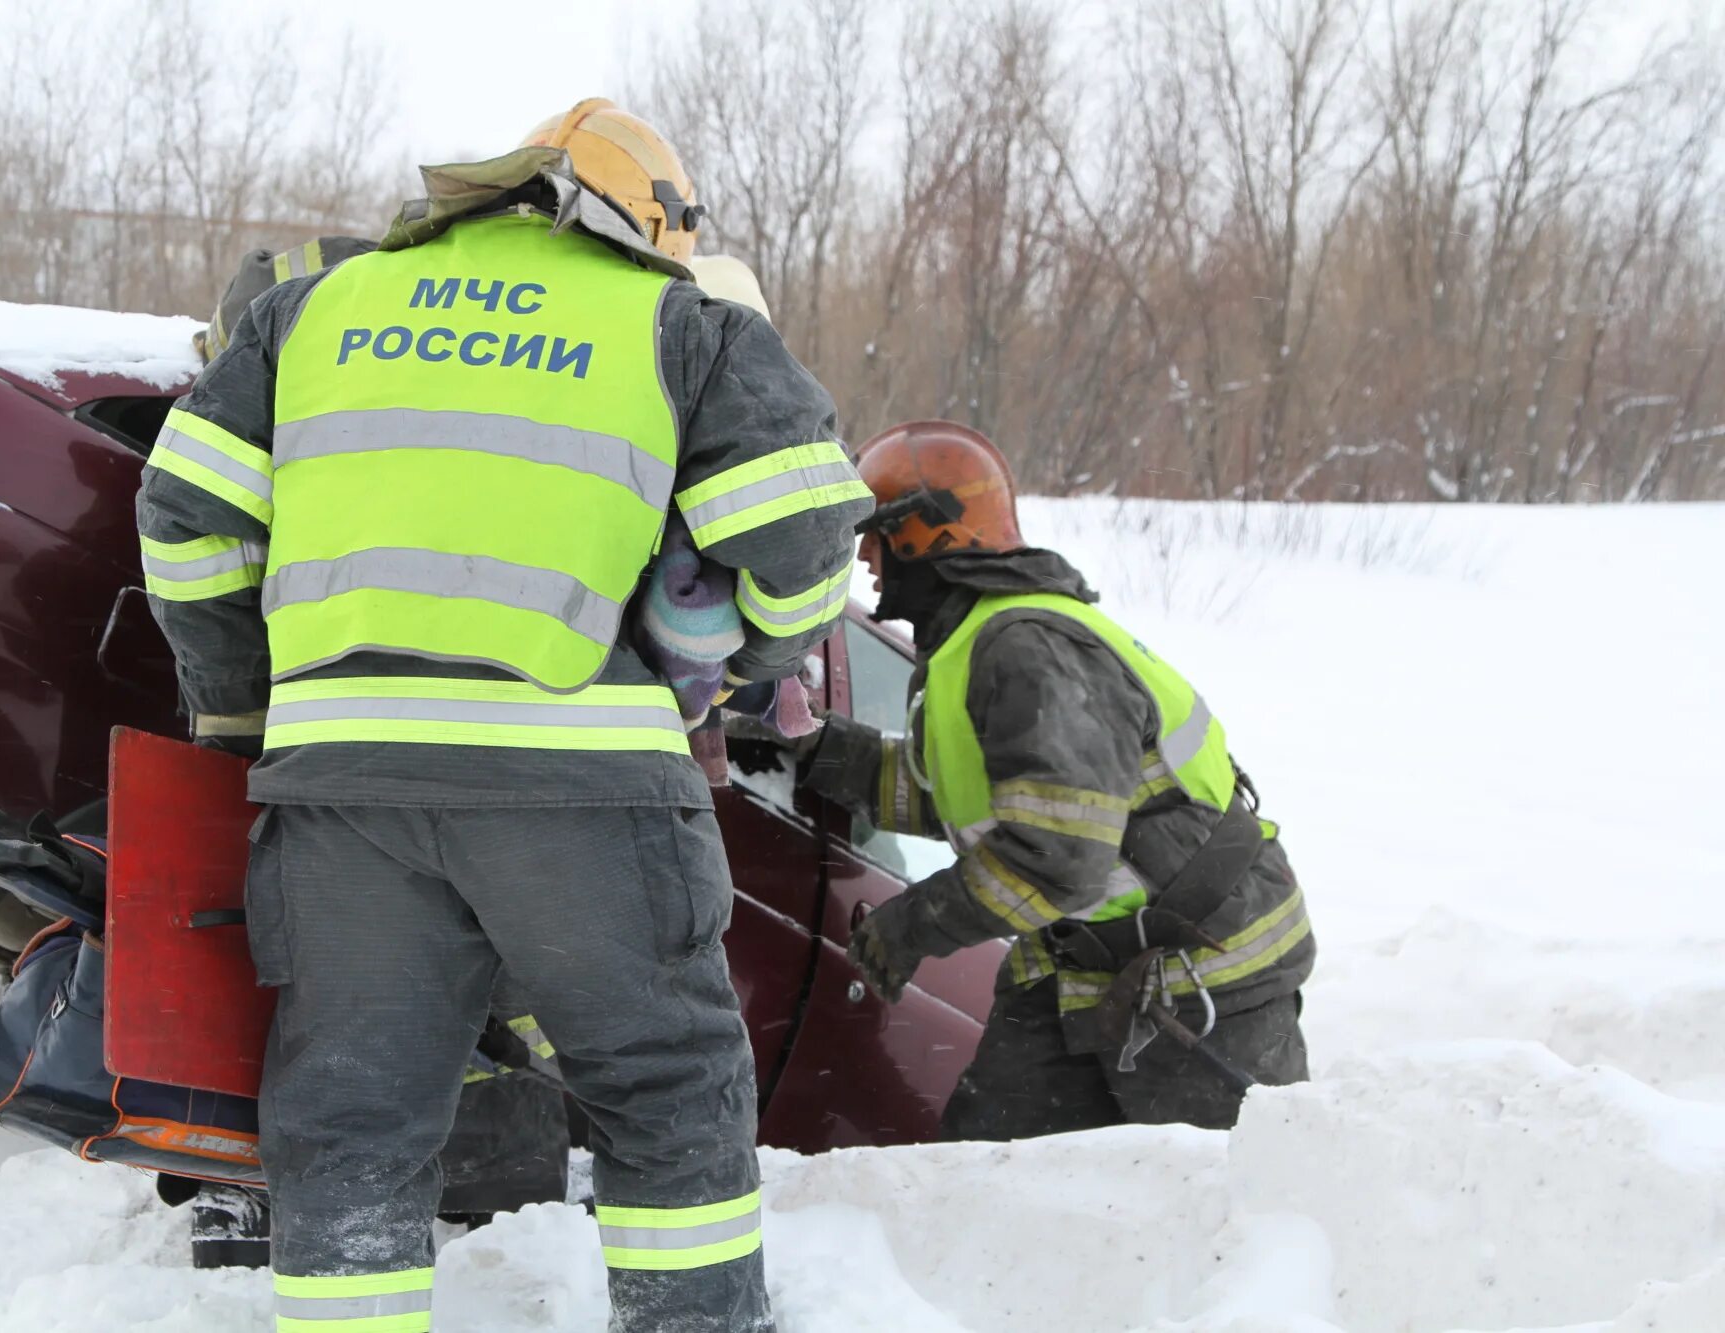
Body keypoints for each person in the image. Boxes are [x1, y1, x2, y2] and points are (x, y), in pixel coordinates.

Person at [136, 97, 869, 1332]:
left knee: (353, 1117)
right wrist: (743, 666)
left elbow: (186, 521)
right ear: (653, 220)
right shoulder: (680, 327)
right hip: (580, 789)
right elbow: (803, 539)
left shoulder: (312, 310)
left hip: (345, 790)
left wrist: (245, 711)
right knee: (661, 1090)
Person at [801, 420, 1313, 1140]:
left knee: (1222, 1217)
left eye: (877, 534)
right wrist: (813, 750)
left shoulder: (1024, 646)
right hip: (1094, 966)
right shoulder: (981, 640)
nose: (865, 557)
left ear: (927, 536)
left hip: (1210, 982)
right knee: (986, 1179)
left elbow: (1060, 855)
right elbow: (967, 802)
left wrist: (914, 923)